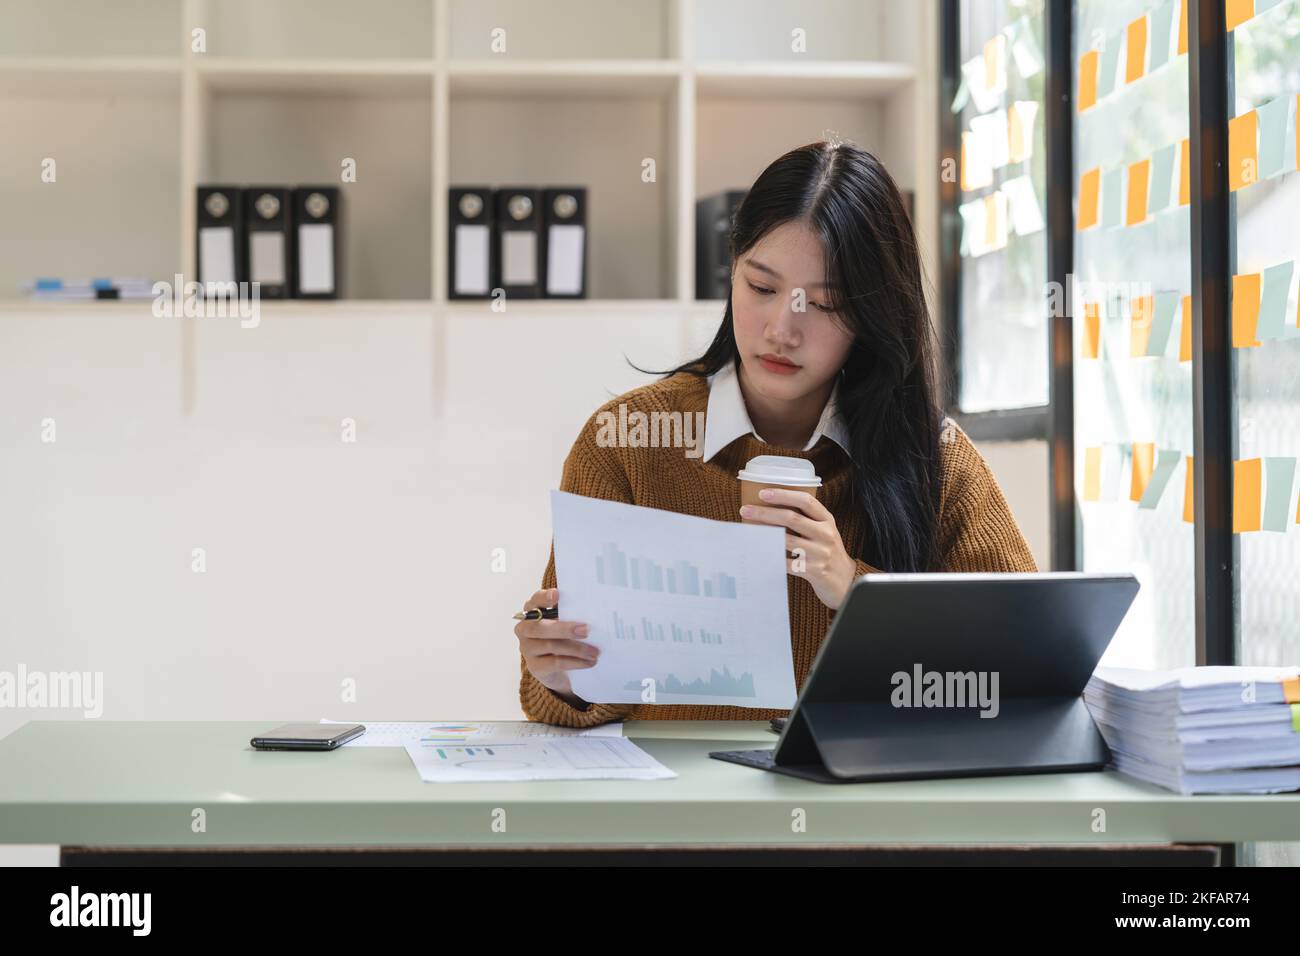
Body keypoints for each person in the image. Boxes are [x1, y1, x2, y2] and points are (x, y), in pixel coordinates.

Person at [516, 140, 1037, 727]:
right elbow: (567, 700)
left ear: (872, 316)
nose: (782, 330)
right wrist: (563, 678)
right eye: (761, 288)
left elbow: (1023, 665)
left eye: (824, 304)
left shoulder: (930, 457)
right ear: (731, 273)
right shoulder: (628, 441)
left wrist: (856, 590)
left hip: (859, 808)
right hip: (682, 807)